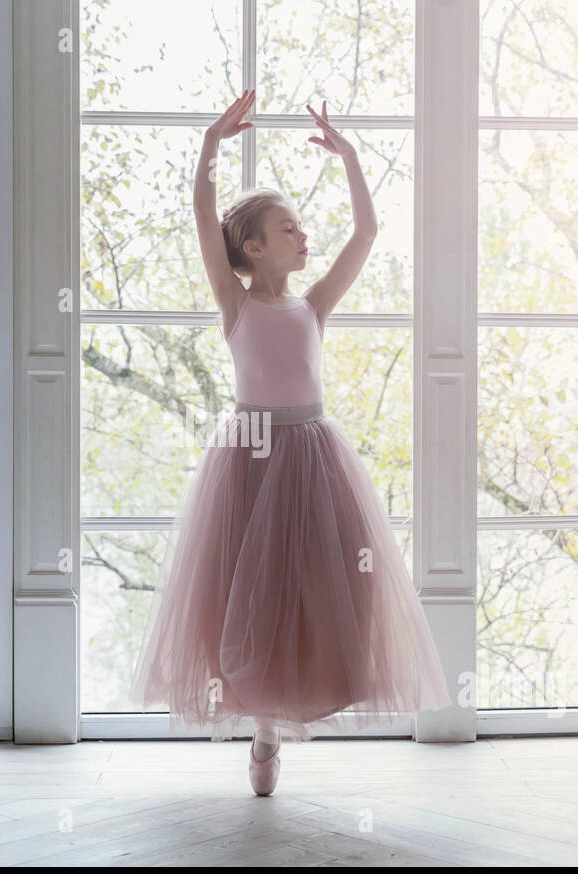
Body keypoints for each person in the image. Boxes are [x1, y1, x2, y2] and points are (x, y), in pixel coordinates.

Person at [129, 90, 453, 797]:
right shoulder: (235, 301)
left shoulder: (313, 305)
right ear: (251, 247)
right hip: (248, 455)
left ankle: (284, 720)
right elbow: (200, 213)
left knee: (313, 591)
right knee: (244, 594)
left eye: (303, 230)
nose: (305, 239)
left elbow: (366, 234)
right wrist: (211, 143)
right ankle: (261, 726)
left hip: (312, 453)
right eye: (290, 230)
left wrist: (353, 159)